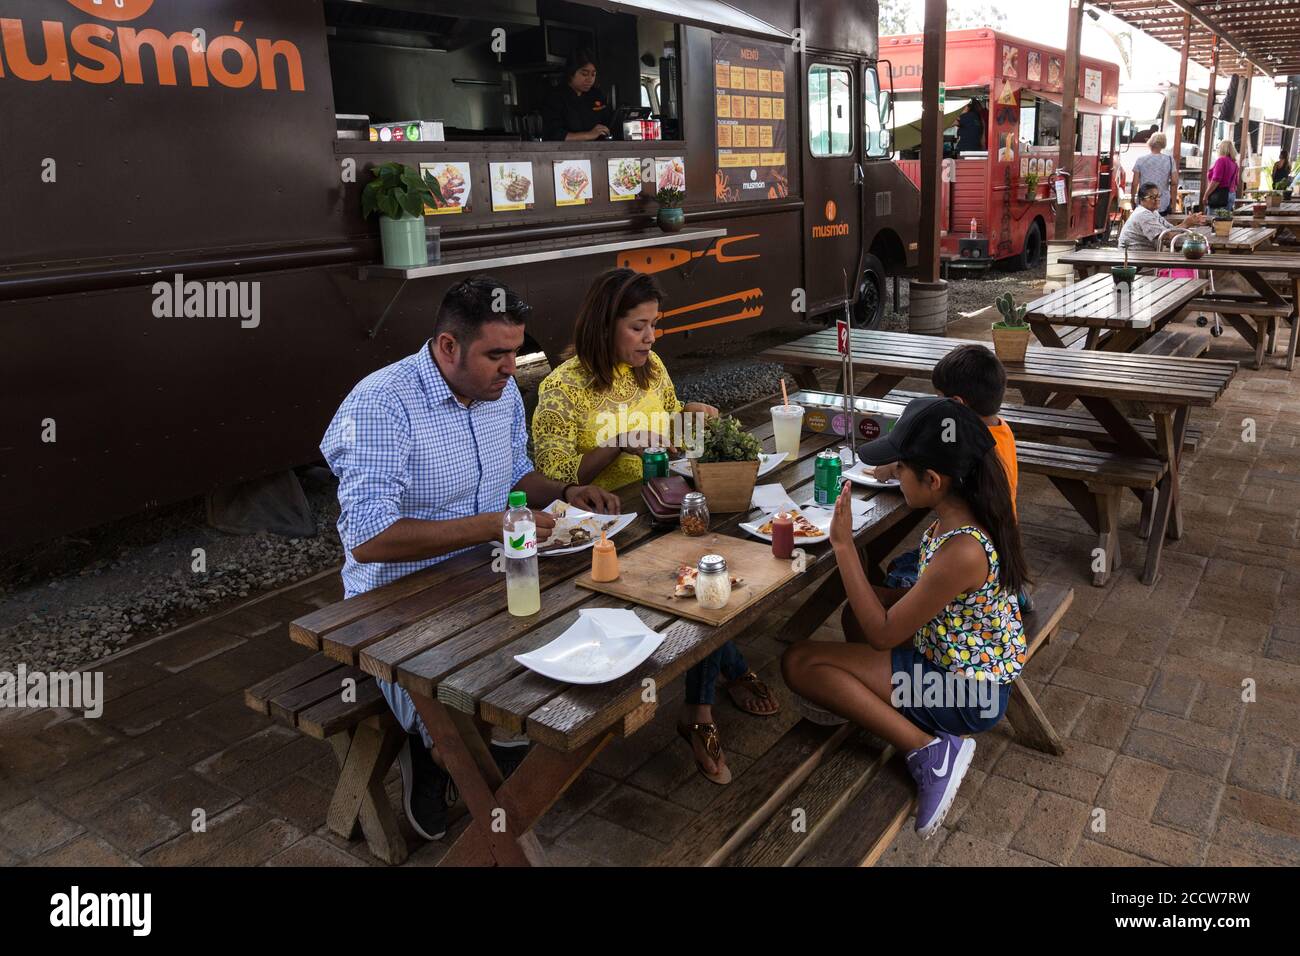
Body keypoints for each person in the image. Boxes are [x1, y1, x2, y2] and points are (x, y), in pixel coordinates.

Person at [320, 275, 620, 841]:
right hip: (394, 600)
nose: (512, 368)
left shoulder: (496, 393)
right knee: (473, 715)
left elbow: (514, 476)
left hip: (486, 573)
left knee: (571, 660)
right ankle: (438, 750)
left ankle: (460, 752)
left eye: (517, 351)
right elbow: (367, 536)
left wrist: (564, 491)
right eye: (497, 354)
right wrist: (491, 525)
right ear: (447, 346)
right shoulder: (382, 404)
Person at [532, 269, 779, 785]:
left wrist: (691, 417)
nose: (651, 337)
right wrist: (616, 443)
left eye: (654, 325)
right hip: (601, 532)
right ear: (604, 326)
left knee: (716, 573)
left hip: (662, 510)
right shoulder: (562, 388)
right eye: (638, 327)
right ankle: (710, 699)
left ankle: (710, 692)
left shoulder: (652, 368)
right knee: (706, 589)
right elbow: (552, 481)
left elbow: (670, 438)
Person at [781, 397, 1030, 838]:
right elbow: (930, 604)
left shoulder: (963, 549)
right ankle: (878, 706)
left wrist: (843, 547)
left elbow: (882, 635)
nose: (893, 473)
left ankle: (930, 752)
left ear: (933, 480)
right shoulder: (964, 514)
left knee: (800, 662)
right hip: (961, 658)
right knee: (856, 613)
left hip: (968, 694)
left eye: (899, 468)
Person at [543, 49, 613, 142]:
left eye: (593, 74)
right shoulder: (556, 97)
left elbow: (608, 124)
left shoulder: (596, 94)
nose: (590, 79)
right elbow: (554, 135)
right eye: (584, 74)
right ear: (571, 73)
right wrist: (588, 135)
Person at [1120, 183, 1205, 251]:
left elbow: (1170, 229)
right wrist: (1186, 224)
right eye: (1152, 197)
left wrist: (1189, 222)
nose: (1157, 199)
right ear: (1141, 200)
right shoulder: (1143, 214)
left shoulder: (1153, 212)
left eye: (1158, 196)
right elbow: (1167, 236)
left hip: (1145, 254)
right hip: (1133, 258)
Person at [1131, 131, 1176, 216]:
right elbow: (1174, 182)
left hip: (1144, 201)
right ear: (1163, 145)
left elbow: (1135, 183)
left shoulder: (1140, 160)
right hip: (1162, 202)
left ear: (1150, 143)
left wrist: (1132, 198)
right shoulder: (1169, 160)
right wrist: (1173, 203)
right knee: (1160, 223)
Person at [1204, 139, 1239, 211]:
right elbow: (1236, 183)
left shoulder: (1221, 160)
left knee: (1213, 217)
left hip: (1219, 195)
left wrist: (1206, 195)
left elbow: (1216, 180)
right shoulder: (1234, 164)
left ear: (1222, 149)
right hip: (1231, 194)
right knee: (1225, 217)